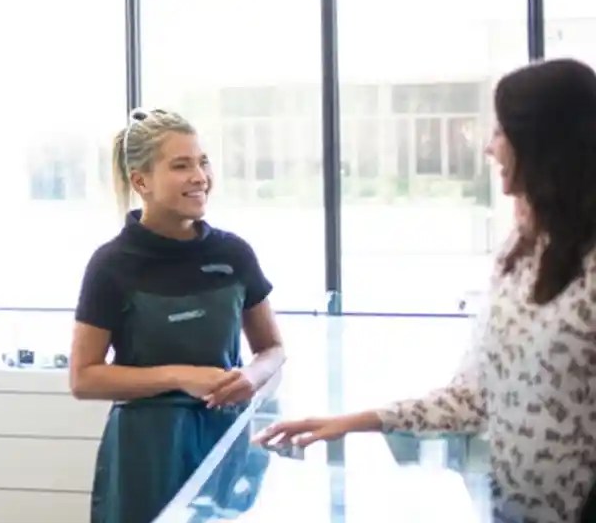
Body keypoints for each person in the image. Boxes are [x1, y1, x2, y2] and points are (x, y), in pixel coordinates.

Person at [254, 58, 596, 523]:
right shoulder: (517, 253)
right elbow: (472, 398)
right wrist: (353, 422)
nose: (491, 148)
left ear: (543, 143)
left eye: (502, 130)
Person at [70, 107, 286, 523]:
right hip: (145, 451)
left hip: (226, 439)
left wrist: (249, 377)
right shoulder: (112, 264)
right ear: (141, 181)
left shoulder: (233, 254)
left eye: (203, 162)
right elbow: (84, 377)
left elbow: (273, 348)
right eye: (181, 165)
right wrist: (179, 376)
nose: (200, 176)